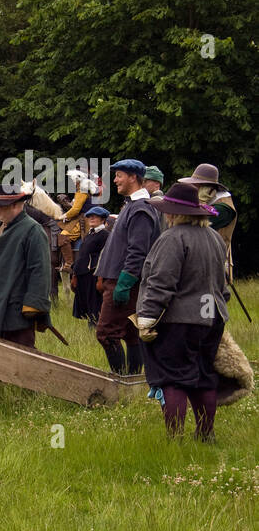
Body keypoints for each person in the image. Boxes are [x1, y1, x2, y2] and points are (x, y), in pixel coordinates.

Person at [135, 183, 229, 441]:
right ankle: (205, 435)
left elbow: (161, 282)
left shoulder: (172, 238)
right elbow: (223, 286)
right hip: (211, 318)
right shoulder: (214, 238)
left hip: (179, 320)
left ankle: (174, 439)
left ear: (175, 213)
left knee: (172, 378)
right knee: (203, 376)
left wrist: (146, 319)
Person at [94, 158, 161, 374]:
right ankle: (131, 380)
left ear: (133, 177)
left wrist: (124, 282)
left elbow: (138, 251)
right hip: (119, 280)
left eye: (119, 175)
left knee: (105, 333)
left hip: (124, 282)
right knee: (132, 333)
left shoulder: (141, 208)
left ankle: (121, 380)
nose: (115, 180)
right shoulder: (133, 205)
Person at [0, 186, 51, 347]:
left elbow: (39, 270)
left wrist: (34, 304)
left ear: (16, 205)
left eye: (0, 205)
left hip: (14, 307)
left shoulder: (32, 230)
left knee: (20, 355)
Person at [177, 163, 237, 281]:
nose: (193, 188)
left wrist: (200, 200)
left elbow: (194, 221)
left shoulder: (224, 208)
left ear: (206, 188)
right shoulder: (209, 202)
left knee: (209, 299)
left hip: (214, 266)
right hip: (199, 264)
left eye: (196, 185)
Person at [71, 206, 110, 325]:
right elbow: (82, 255)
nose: (92, 218)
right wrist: (75, 274)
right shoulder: (89, 234)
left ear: (103, 219)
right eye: (89, 217)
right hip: (83, 274)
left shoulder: (105, 235)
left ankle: (95, 326)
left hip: (94, 274)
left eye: (95, 216)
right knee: (87, 303)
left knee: (95, 304)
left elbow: (104, 257)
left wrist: (100, 278)